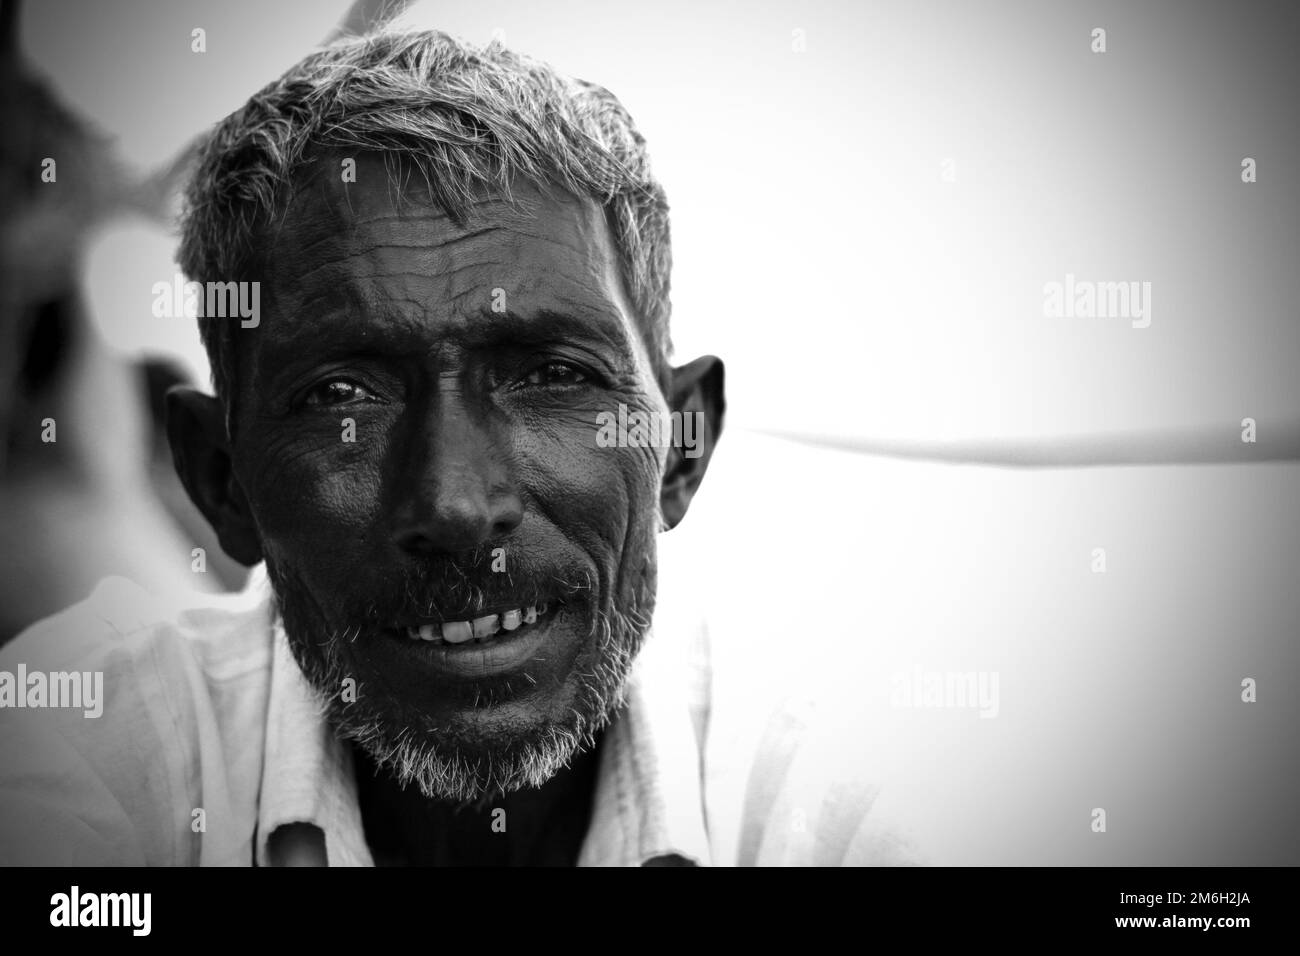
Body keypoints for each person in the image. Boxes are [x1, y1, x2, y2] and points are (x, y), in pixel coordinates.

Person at [0, 29, 874, 866]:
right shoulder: (83, 747)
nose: (454, 507)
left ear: (681, 445)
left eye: (552, 376)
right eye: (342, 395)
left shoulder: (835, 795)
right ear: (222, 480)